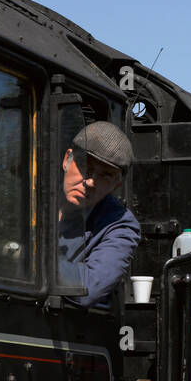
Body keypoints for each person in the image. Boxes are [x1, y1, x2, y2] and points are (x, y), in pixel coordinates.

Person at [56, 121, 140, 308]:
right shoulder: (31, 196)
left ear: (116, 185)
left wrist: (26, 256)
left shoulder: (120, 226)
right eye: (85, 167)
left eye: (105, 176)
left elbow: (89, 288)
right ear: (67, 160)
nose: (91, 182)